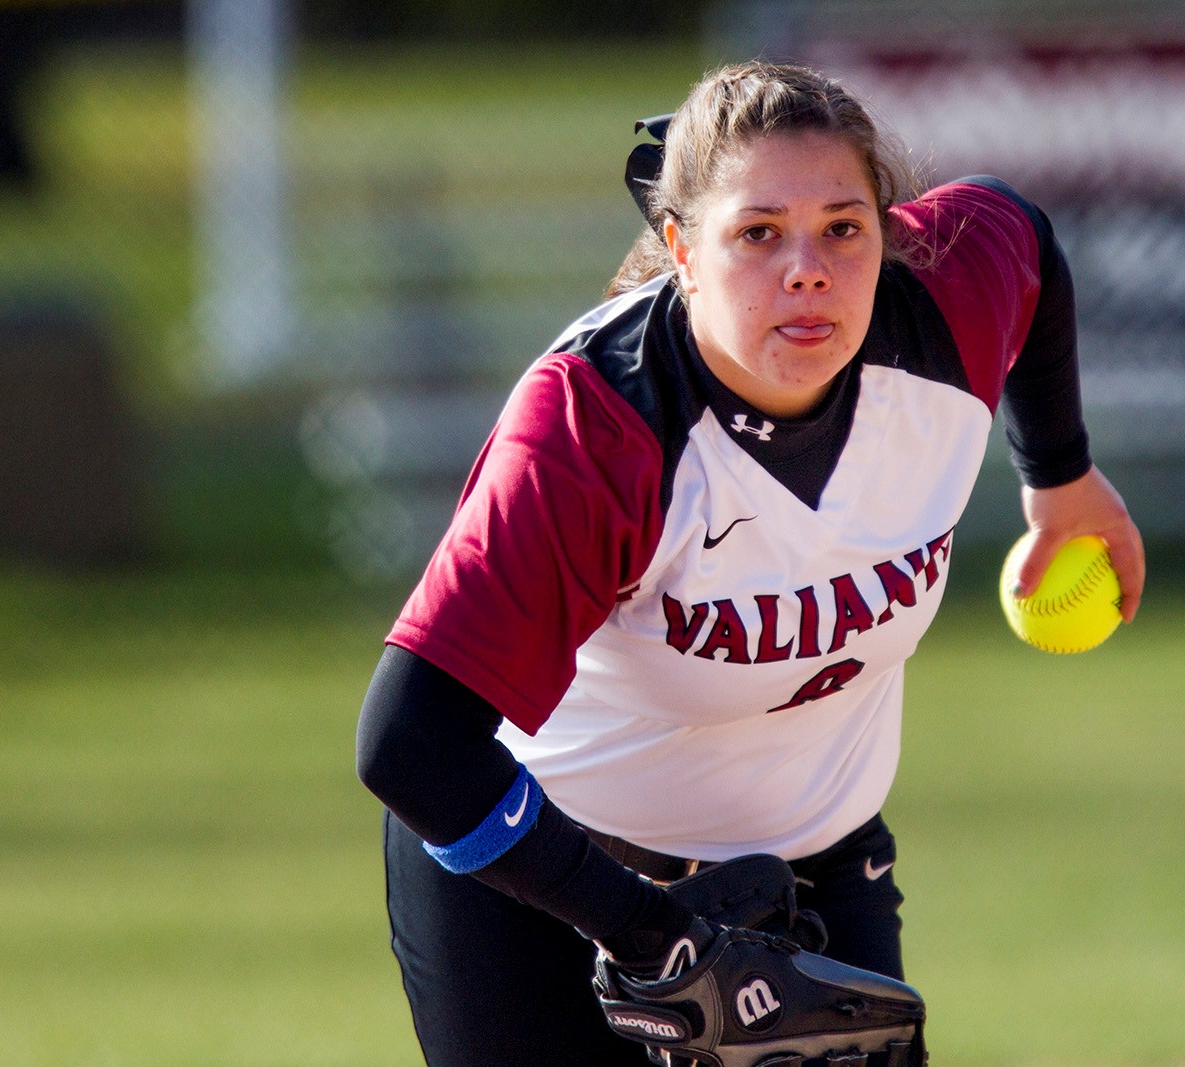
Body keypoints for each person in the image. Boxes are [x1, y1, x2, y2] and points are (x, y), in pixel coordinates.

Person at [356, 59, 1145, 1067]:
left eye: (842, 227)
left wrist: (1061, 478)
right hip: (544, 880)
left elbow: (1021, 235)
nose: (807, 268)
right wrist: (653, 935)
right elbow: (411, 744)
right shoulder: (599, 432)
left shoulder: (938, 319)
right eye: (758, 232)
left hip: (812, 871)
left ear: (891, 236)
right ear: (682, 247)